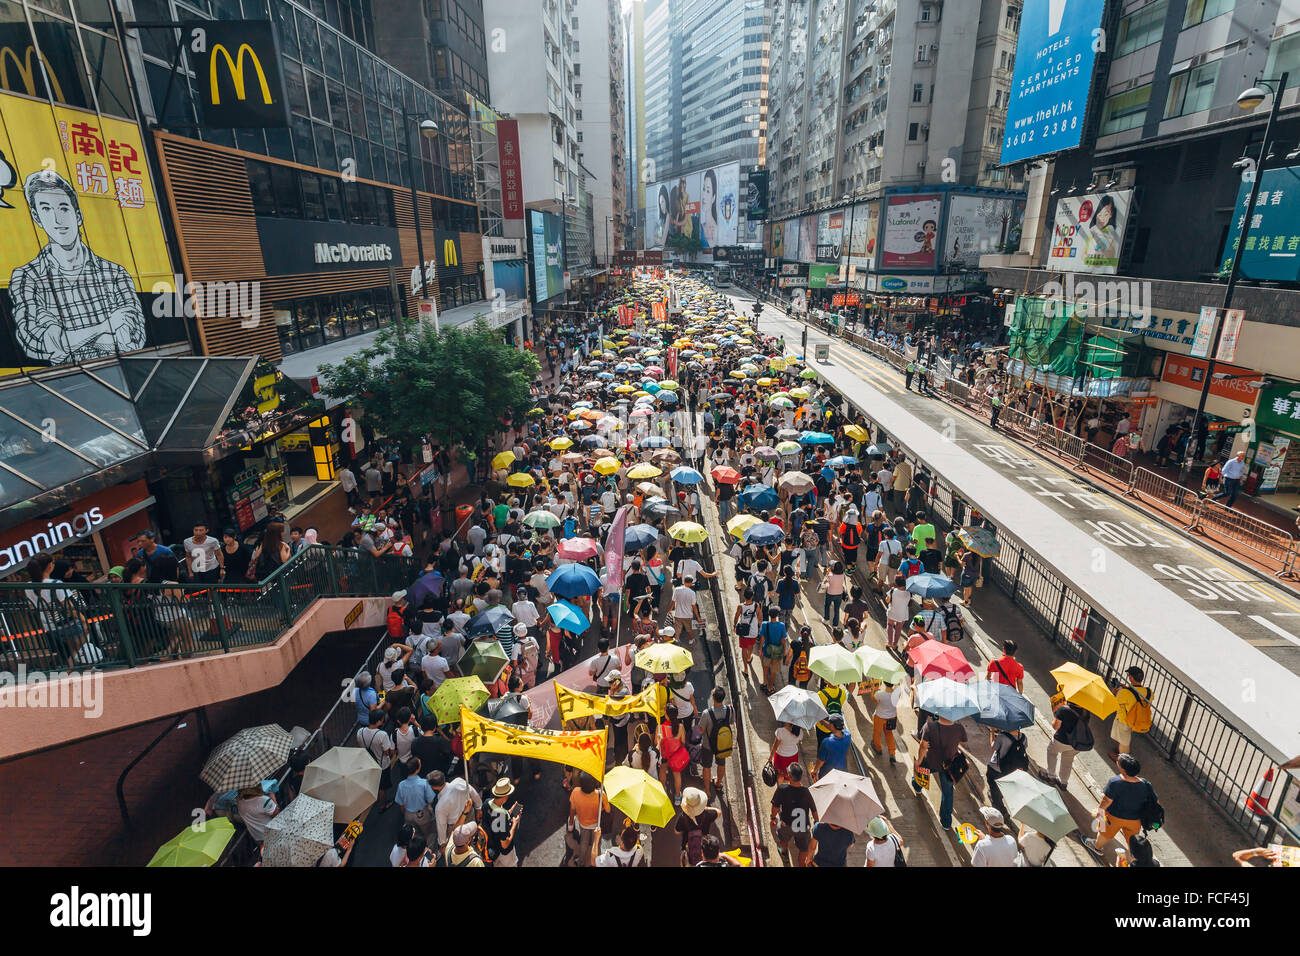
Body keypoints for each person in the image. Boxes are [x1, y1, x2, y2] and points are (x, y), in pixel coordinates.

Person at [1086, 753, 1158, 861]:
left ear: (1123, 769)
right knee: (1132, 841)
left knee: (1105, 833)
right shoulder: (1146, 784)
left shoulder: (1115, 782)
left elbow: (1106, 801)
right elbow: (1155, 801)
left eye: (1118, 762)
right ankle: (1135, 860)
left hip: (1114, 817)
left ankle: (1097, 847)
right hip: (1135, 820)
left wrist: (1099, 813)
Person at [914, 713, 968, 830]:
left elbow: (923, 746)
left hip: (930, 761)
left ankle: (917, 787)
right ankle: (946, 822)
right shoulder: (959, 728)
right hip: (949, 765)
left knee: (920, 774)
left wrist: (918, 760)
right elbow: (963, 741)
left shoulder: (929, 727)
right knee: (947, 793)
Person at [770, 763, 817, 866]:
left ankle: (784, 854)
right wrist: (817, 823)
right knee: (804, 849)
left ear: (789, 776)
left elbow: (775, 807)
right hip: (803, 828)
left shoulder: (782, 789)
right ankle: (801, 864)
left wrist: (773, 818)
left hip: (786, 825)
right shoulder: (807, 792)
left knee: (783, 840)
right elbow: (814, 811)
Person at [1044, 698, 1093, 787]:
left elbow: (1055, 726)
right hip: (1075, 743)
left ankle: (1051, 776)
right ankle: (1063, 782)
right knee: (1068, 761)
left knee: (1052, 752)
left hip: (1061, 740)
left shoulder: (1063, 709)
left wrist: (1056, 714)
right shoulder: (1086, 712)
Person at [696, 687, 733, 799]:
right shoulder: (730, 709)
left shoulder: (707, 713)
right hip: (723, 744)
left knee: (707, 767)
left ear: (713, 698)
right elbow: (731, 722)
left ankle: (707, 791)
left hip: (708, 745)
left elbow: (701, 730)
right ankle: (718, 784)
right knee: (721, 763)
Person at [566, 772, 609, 866]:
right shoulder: (600, 794)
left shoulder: (575, 792)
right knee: (596, 844)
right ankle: (597, 862)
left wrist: (571, 821)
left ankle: (581, 861)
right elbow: (608, 810)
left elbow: (572, 809)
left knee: (583, 843)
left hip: (583, 824)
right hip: (596, 825)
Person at [356, 709, 395, 813]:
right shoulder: (382, 735)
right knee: (382, 787)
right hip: (382, 765)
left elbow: (360, 747)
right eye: (382, 720)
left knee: (373, 782)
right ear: (378, 721)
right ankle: (383, 805)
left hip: (369, 763)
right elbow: (387, 753)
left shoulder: (360, 732)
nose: (383, 721)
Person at [1110, 665, 1152, 759]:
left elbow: (1114, 702)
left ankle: (1122, 759)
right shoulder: (1149, 692)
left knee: (1124, 742)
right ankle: (1120, 751)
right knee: (1124, 738)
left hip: (1125, 720)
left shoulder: (1125, 693)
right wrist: (1128, 688)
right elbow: (1137, 696)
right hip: (1138, 718)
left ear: (1131, 677)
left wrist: (1115, 691)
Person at [393, 755, 436, 842]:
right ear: (417, 769)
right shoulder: (424, 783)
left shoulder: (401, 785)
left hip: (408, 815)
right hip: (422, 814)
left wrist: (407, 813)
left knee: (414, 836)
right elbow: (431, 800)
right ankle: (431, 851)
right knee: (429, 835)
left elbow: (401, 804)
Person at [675, 787, 720, 866]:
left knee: (684, 856)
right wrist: (705, 808)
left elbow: (676, 831)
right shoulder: (707, 813)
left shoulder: (683, 817)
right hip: (703, 843)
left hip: (687, 843)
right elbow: (719, 812)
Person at [484, 777, 522, 867]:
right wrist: (514, 824)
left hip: (492, 847)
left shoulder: (487, 803)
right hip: (504, 853)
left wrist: (509, 812)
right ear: (505, 796)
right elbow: (505, 844)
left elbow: (493, 819)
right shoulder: (501, 816)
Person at [871, 680, 904, 765]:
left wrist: (872, 690)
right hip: (892, 717)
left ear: (884, 683)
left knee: (877, 733)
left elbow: (873, 699)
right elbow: (899, 686)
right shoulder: (897, 693)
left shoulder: (880, 694)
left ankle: (878, 748)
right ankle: (892, 753)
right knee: (889, 734)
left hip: (879, 717)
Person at [812, 713, 853, 779]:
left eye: (829, 722)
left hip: (827, 773)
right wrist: (822, 721)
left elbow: (820, 761)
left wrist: (814, 770)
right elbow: (834, 728)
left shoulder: (827, 742)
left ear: (831, 725)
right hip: (842, 771)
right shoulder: (848, 735)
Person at [758, 614, 788, 695]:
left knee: (765, 667)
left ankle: (764, 683)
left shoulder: (764, 624)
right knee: (773, 671)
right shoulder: (781, 626)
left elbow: (762, 638)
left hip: (767, 650)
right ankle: (770, 688)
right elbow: (783, 640)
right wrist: (784, 651)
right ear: (777, 615)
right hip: (777, 652)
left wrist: (760, 650)